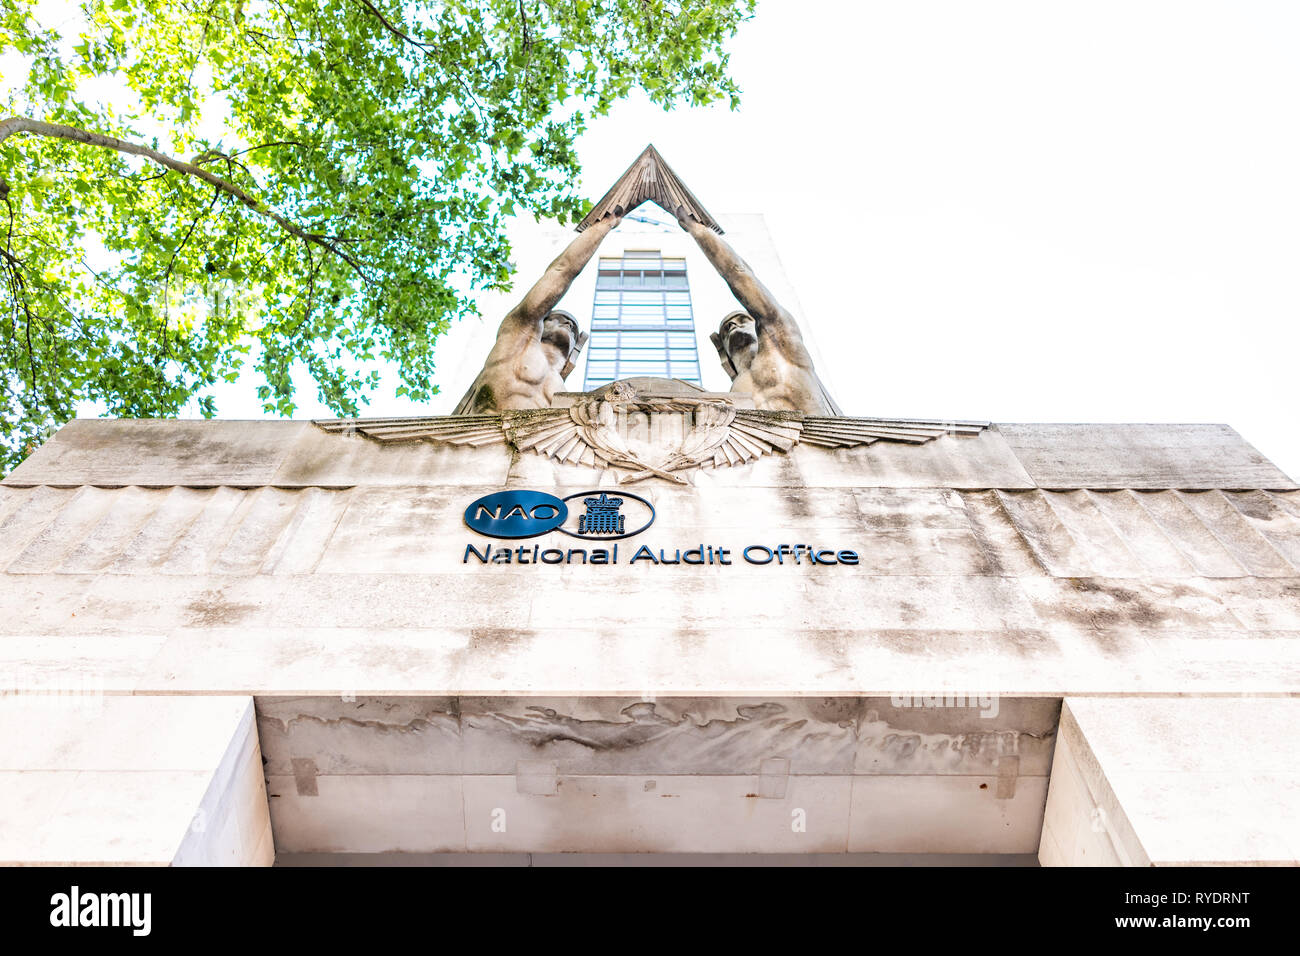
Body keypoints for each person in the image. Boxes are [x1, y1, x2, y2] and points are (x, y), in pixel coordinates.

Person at [454, 210, 623, 414]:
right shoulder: (518, 338)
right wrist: (602, 227)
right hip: (485, 439)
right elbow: (562, 270)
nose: (568, 325)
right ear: (542, 322)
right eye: (559, 319)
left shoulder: (563, 391)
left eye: (573, 328)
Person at [677, 205, 839, 415]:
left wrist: (698, 230)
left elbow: (740, 275)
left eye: (742, 319)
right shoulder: (736, 390)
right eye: (727, 329)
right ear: (722, 349)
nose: (734, 326)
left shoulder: (783, 349)